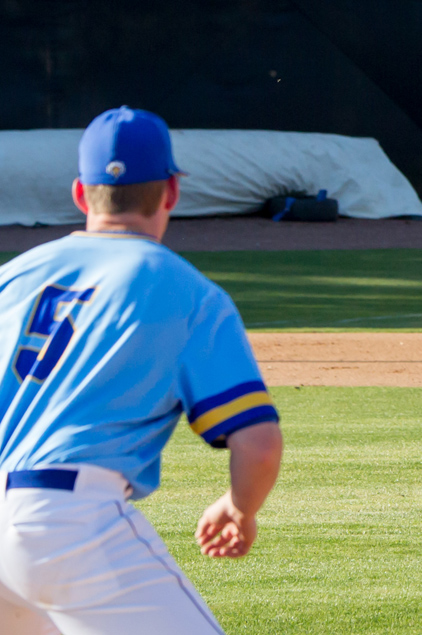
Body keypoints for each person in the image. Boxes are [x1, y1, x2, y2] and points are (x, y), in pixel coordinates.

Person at [0, 106, 283, 634]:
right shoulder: (186, 291)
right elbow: (259, 442)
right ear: (172, 193)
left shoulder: (12, 278)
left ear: (81, 195)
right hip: (67, 522)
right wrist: (240, 507)